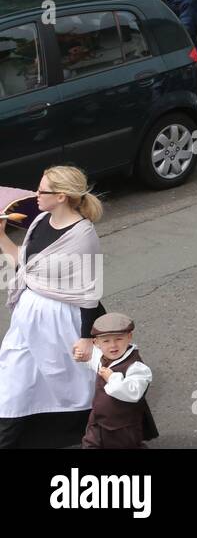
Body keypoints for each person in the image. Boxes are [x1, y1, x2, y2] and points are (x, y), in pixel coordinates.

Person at [0, 166, 106, 449]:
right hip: (27, 318)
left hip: (59, 320)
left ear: (61, 196)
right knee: (13, 371)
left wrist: (85, 338)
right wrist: (0, 236)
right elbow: (26, 268)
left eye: (42, 190)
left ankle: (95, 430)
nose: (36, 194)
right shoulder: (41, 221)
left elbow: (89, 293)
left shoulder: (83, 236)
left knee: (64, 378)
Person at [79, 313, 158, 449]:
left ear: (129, 337)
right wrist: (83, 357)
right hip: (98, 419)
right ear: (96, 343)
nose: (113, 345)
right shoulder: (103, 357)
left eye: (119, 339)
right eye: (106, 341)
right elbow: (94, 361)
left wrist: (112, 378)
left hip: (122, 426)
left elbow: (133, 392)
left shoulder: (136, 367)